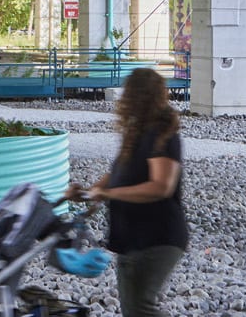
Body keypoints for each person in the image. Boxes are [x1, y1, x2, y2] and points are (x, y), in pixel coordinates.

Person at [69, 68, 187, 317]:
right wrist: (89, 192)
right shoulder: (137, 133)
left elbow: (161, 187)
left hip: (157, 237)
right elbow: (117, 175)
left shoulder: (163, 135)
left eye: (129, 94)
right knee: (133, 308)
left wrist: (111, 194)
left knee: (141, 308)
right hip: (131, 237)